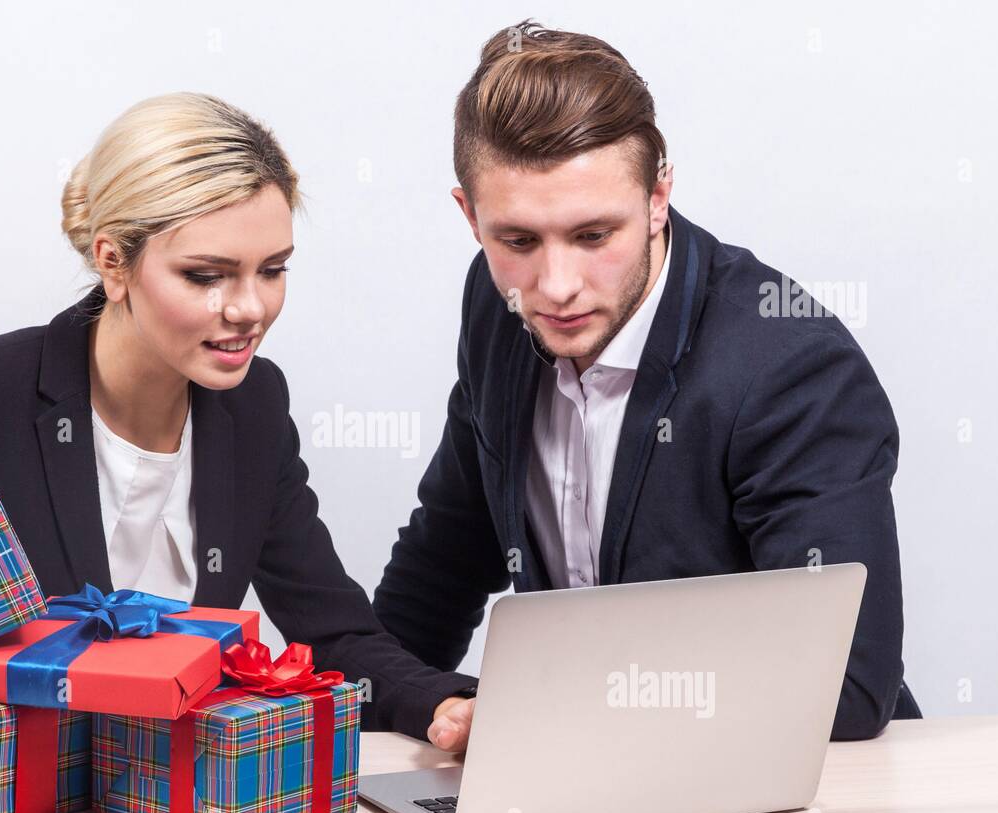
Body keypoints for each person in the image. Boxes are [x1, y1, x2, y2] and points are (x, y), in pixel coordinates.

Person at [0, 92, 475, 741]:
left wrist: (442, 705)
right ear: (113, 262)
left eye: (273, 268)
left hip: (163, 811)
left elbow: (335, 632)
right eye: (206, 275)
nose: (250, 308)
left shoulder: (253, 406)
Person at [374, 21, 922, 752]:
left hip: (795, 794)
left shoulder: (789, 370)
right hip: (582, 782)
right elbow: (445, 558)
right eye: (518, 241)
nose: (557, 287)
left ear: (659, 195)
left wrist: (553, 715)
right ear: (469, 215)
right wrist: (366, 708)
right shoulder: (498, 303)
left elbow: (848, 686)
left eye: (595, 236)